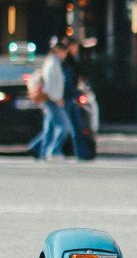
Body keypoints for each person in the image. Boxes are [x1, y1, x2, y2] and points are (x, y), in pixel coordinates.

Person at [31, 35, 77, 160]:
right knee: (64, 126)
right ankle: (54, 151)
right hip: (52, 100)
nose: (65, 54)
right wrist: (57, 98)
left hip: (51, 99)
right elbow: (50, 85)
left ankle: (43, 152)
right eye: (63, 51)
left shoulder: (54, 63)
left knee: (50, 128)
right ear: (57, 50)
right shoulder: (52, 64)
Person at [60, 30, 97, 161]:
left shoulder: (70, 61)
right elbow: (67, 82)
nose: (76, 49)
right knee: (73, 127)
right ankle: (81, 153)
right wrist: (78, 92)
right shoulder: (67, 61)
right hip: (68, 98)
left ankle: (37, 148)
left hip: (69, 97)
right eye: (74, 46)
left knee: (60, 127)